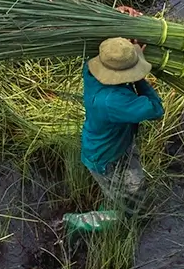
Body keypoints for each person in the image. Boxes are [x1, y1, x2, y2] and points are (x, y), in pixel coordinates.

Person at [66, 34, 164, 234]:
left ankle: (123, 206)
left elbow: (111, 52)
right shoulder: (113, 101)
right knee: (125, 209)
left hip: (113, 143)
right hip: (106, 157)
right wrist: (140, 76)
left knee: (130, 190)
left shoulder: (91, 72)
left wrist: (128, 53)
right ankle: (78, 224)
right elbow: (156, 109)